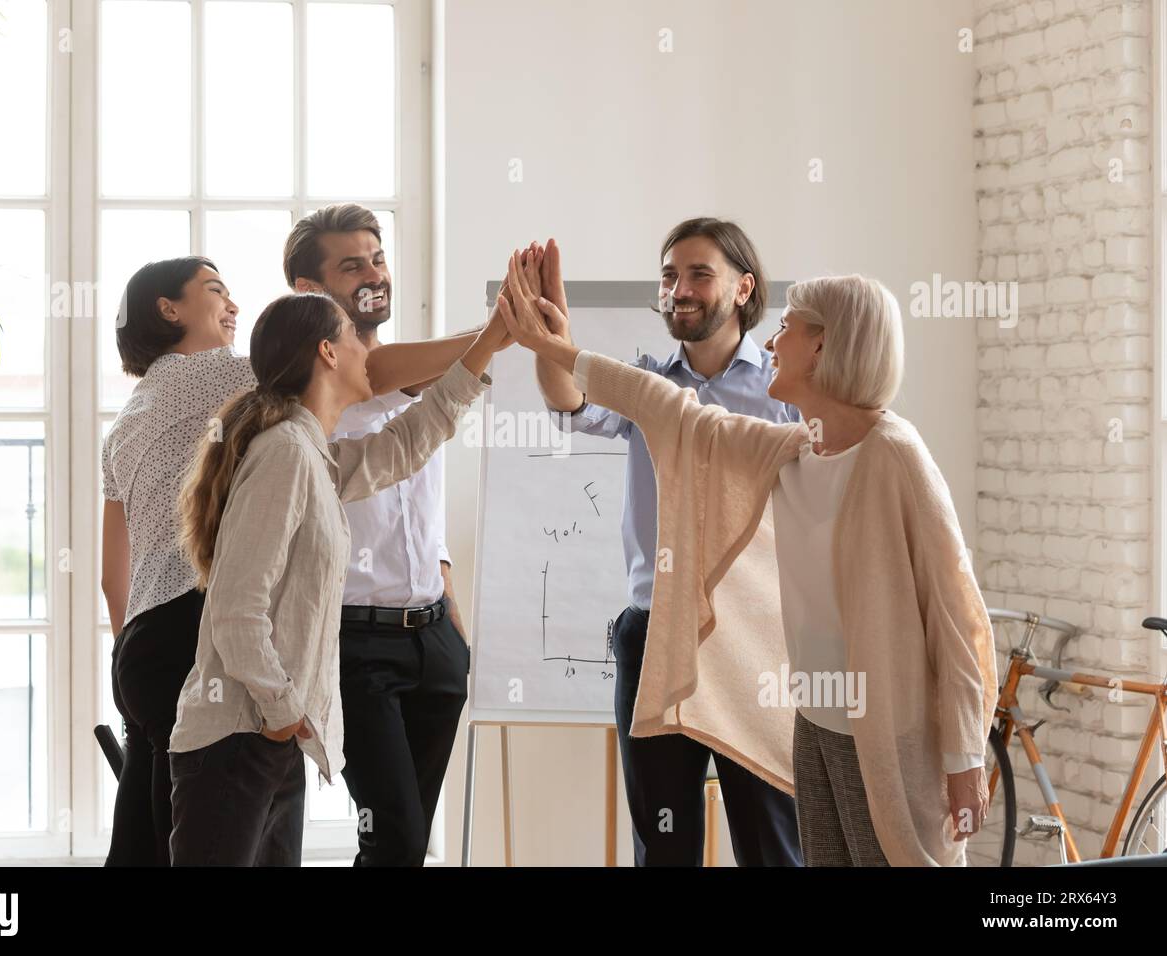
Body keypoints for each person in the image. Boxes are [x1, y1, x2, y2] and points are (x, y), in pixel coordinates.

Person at [500, 252, 996, 866]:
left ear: (822, 348)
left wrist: (966, 758)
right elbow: (673, 412)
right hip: (814, 724)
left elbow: (957, 616)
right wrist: (557, 349)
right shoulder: (793, 451)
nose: (774, 340)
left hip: (883, 732)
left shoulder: (894, 454)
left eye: (789, 327)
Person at [100, 257, 483, 866]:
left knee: (150, 842)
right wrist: (489, 338)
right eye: (215, 291)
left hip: (147, 645)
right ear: (168, 309)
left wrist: (130, 659)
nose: (232, 306)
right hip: (198, 639)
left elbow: (109, 571)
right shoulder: (225, 380)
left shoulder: (130, 419)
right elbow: (373, 371)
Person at [533, 221, 804, 867]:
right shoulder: (644, 386)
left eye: (697, 274)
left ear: (743, 288)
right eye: (668, 276)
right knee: (666, 845)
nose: (678, 290)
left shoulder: (783, 391)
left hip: (754, 638)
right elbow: (568, 399)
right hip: (652, 632)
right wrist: (550, 335)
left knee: (773, 845)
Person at [281, 204, 543, 865]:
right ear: (309, 292)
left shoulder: (411, 368)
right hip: (355, 647)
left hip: (431, 639)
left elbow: (415, 495)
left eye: (378, 257)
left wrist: (445, 585)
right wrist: (499, 328)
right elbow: (380, 373)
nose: (373, 273)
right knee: (392, 836)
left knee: (403, 844)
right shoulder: (315, 381)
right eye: (351, 264)